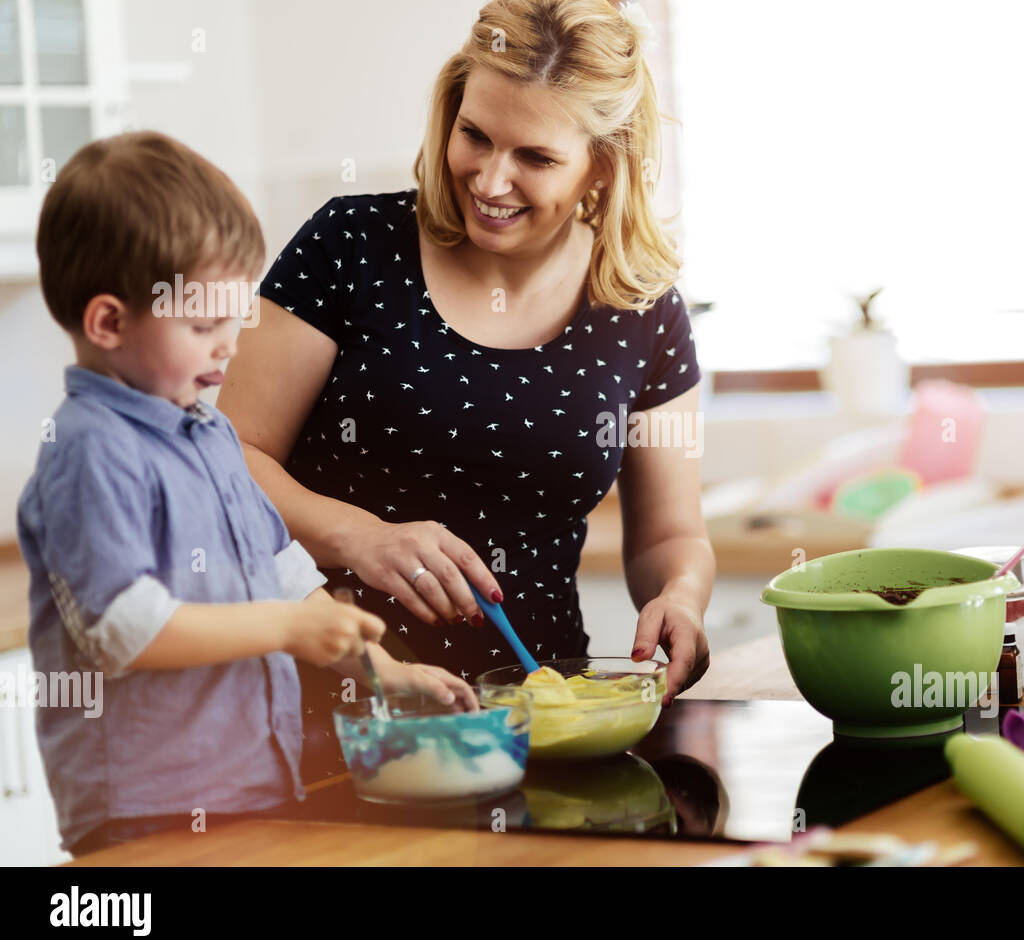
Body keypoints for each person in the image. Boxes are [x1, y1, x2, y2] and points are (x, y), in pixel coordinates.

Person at [218, 0, 715, 780]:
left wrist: (681, 599)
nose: (490, 179)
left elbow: (668, 537)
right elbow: (223, 461)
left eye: (535, 157)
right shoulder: (347, 248)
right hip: (330, 721)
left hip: (536, 731)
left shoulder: (642, 310)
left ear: (603, 164)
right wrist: (359, 536)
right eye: (475, 134)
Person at [17, 131, 475, 856]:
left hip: (256, 785)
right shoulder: (89, 448)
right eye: (203, 324)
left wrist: (385, 671)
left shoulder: (208, 431)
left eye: (235, 318)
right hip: (146, 807)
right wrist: (288, 633)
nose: (229, 343)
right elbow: (126, 631)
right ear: (108, 322)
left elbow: (284, 569)